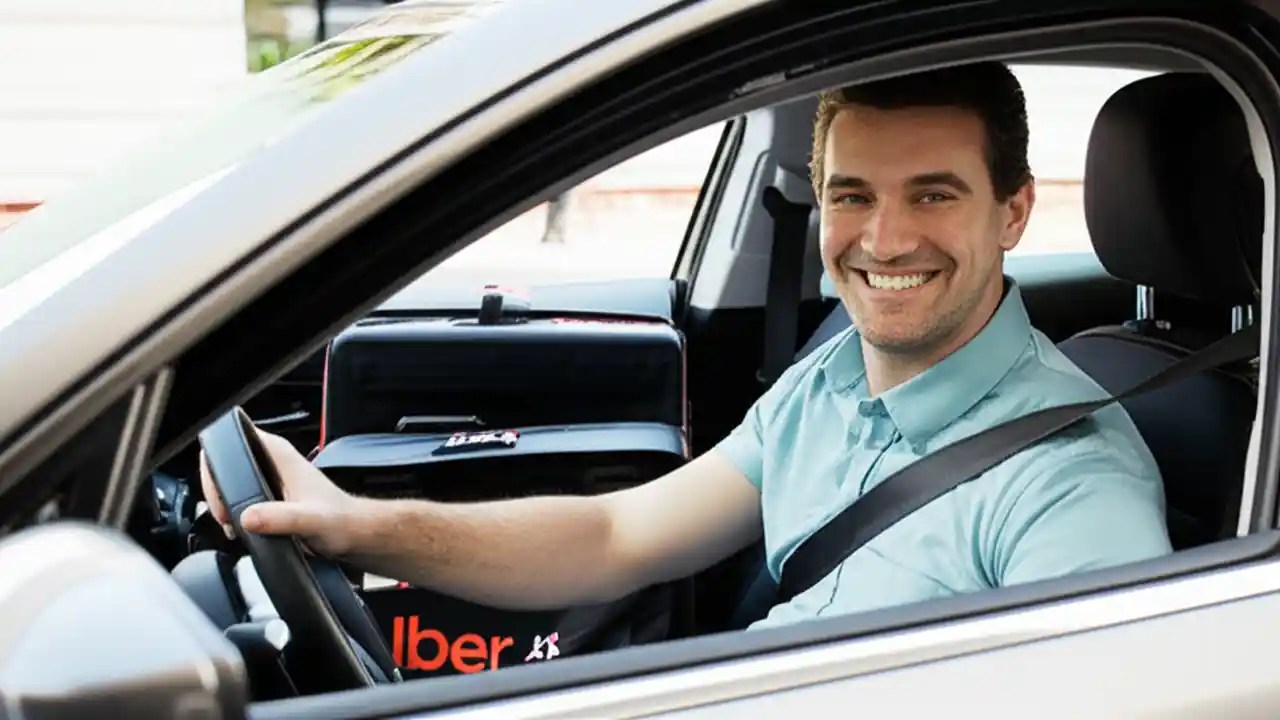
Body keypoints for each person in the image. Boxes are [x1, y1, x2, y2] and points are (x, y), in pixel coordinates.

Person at [202, 62, 1172, 630]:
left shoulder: (1068, 484)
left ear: (1011, 212)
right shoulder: (832, 379)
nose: (882, 241)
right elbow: (616, 536)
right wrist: (357, 524)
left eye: (931, 194)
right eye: (850, 196)